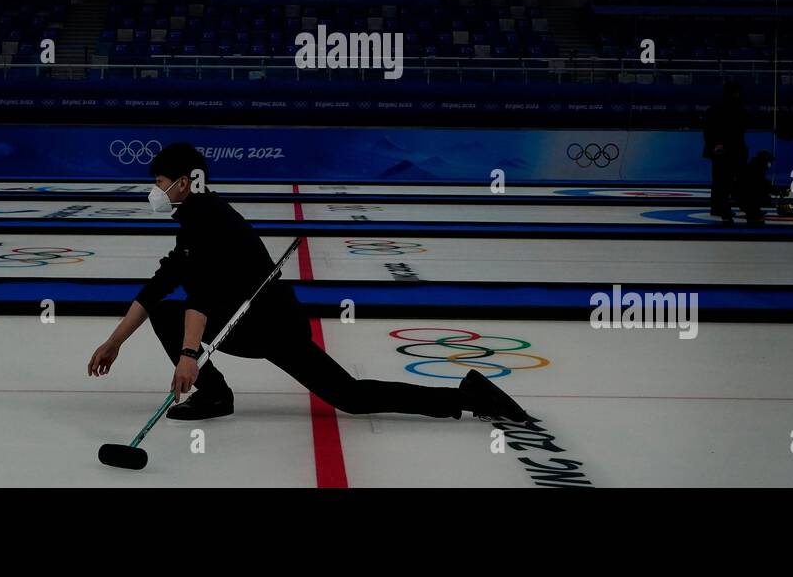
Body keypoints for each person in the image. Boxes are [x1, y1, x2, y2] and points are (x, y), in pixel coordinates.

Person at [87, 143, 529, 423]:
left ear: (182, 183)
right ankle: (215, 394)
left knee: (349, 397)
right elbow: (161, 284)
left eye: (160, 183)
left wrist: (188, 356)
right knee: (165, 310)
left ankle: (465, 397)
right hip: (245, 318)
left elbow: (199, 296)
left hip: (272, 325)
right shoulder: (194, 217)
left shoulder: (208, 218)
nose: (155, 192)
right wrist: (115, 341)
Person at [703, 81, 748, 225]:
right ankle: (722, 208)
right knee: (725, 181)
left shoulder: (719, 108)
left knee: (720, 180)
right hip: (727, 150)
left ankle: (718, 207)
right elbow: (711, 129)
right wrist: (716, 144)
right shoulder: (730, 108)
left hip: (726, 149)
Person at [738, 150, 775, 227]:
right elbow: (763, 186)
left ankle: (753, 210)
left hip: (743, 195)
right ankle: (752, 212)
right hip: (745, 196)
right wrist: (776, 191)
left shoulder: (755, 167)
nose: (770, 164)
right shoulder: (756, 170)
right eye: (769, 162)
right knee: (765, 197)